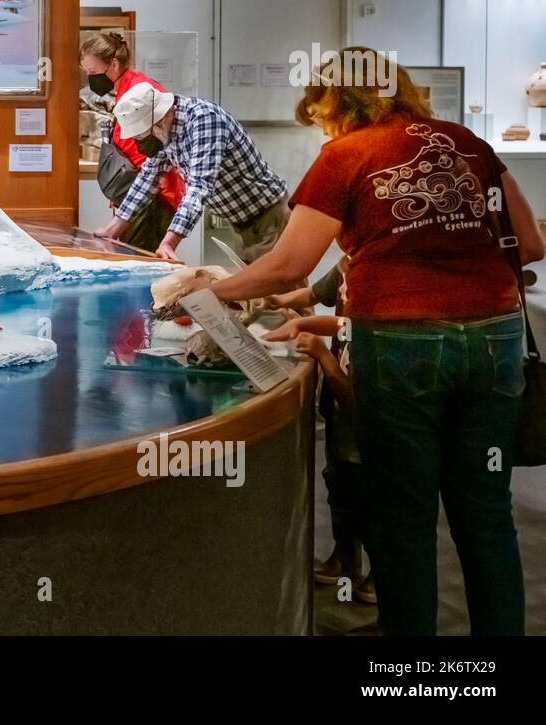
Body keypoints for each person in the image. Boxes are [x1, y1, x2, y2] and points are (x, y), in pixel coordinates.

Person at [189, 47, 545, 635]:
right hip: (495, 338)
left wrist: (208, 294)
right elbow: (529, 246)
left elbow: (287, 266)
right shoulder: (468, 143)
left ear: (335, 103)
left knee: (402, 516)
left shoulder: (345, 155)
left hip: (403, 344)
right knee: (486, 515)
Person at [264, 260, 375, 604]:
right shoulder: (351, 270)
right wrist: (298, 319)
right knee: (340, 485)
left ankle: (383, 581)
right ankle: (346, 561)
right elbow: (343, 322)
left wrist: (322, 355)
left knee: (370, 500)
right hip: (344, 426)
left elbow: (356, 402)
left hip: (364, 429)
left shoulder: (379, 311)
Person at [100, 83, 289, 262]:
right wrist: (113, 228)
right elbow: (148, 177)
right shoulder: (165, 130)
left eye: (141, 135)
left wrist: (168, 243)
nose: (140, 142)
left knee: (279, 286)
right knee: (257, 287)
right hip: (241, 219)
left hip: (268, 214)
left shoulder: (204, 119)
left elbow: (199, 186)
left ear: (160, 119)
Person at [78, 31, 185, 252]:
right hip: (136, 193)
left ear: (114, 64)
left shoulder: (140, 93)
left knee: (140, 261)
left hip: (153, 198)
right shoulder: (124, 90)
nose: (91, 79)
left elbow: (157, 154)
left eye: (94, 72)